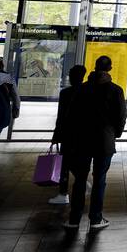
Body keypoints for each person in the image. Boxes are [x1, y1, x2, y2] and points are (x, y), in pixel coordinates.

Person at [63, 56, 127, 231]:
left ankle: (74, 218)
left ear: (95, 68)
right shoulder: (115, 90)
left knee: (80, 180)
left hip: (82, 139)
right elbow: (121, 115)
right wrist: (116, 133)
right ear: (110, 68)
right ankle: (96, 218)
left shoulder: (82, 89)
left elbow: (71, 115)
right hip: (104, 140)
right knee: (100, 179)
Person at [48, 64, 87, 204]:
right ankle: (82, 183)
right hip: (83, 133)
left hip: (68, 133)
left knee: (65, 162)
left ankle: (63, 193)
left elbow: (61, 117)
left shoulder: (65, 93)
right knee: (77, 160)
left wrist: (56, 135)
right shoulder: (88, 91)